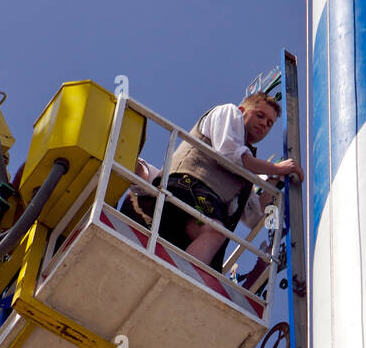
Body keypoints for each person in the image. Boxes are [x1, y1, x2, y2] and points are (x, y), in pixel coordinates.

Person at [121, 92, 304, 272]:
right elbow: (229, 154)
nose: (264, 124)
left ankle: (184, 276)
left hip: (199, 211)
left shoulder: (247, 168)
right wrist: (277, 168)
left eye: (269, 123)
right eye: (260, 115)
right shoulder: (230, 113)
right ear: (242, 110)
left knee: (215, 234)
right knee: (214, 232)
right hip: (183, 189)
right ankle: (183, 278)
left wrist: (274, 179)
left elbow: (253, 215)